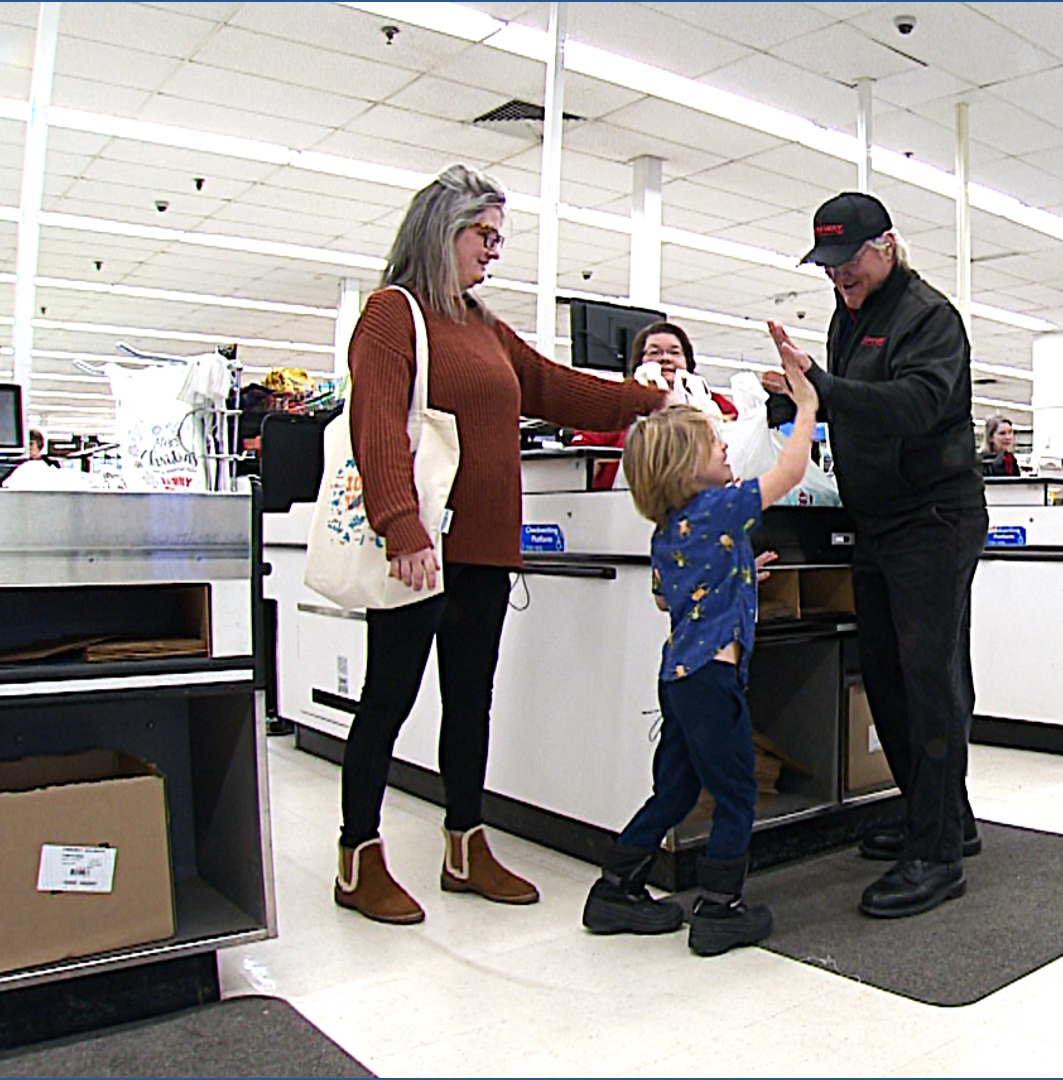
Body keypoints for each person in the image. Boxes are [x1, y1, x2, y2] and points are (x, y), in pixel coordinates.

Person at [335, 164, 667, 926]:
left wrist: (647, 399)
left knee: (470, 703)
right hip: (421, 548)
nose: (493, 249)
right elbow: (375, 421)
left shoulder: (482, 325)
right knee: (387, 699)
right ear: (441, 231)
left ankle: (465, 845)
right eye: (482, 234)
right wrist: (400, 524)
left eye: (497, 236)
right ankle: (358, 857)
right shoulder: (393, 315)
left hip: (484, 547)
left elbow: (555, 387)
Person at [765, 192, 986, 920]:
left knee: (929, 679)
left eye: (849, 260)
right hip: (879, 521)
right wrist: (801, 402)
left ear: (887, 246)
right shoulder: (848, 316)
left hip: (934, 519)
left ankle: (938, 854)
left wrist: (826, 387)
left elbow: (917, 405)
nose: (839, 276)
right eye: (828, 265)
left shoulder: (929, 317)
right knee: (885, 676)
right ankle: (940, 815)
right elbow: (856, 402)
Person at [580, 364, 819, 956]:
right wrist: (808, 409)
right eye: (716, 444)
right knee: (736, 793)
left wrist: (738, 570)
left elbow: (670, 596)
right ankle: (720, 909)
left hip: (679, 679)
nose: (727, 449)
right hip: (713, 681)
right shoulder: (718, 507)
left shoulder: (667, 531)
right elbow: (789, 472)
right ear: (685, 468)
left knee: (674, 793)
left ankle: (615, 887)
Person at [573, 322, 736, 490]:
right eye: (654, 352)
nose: (666, 358)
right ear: (640, 362)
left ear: (687, 361)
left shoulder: (715, 405)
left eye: (675, 352)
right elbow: (579, 463)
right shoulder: (619, 404)